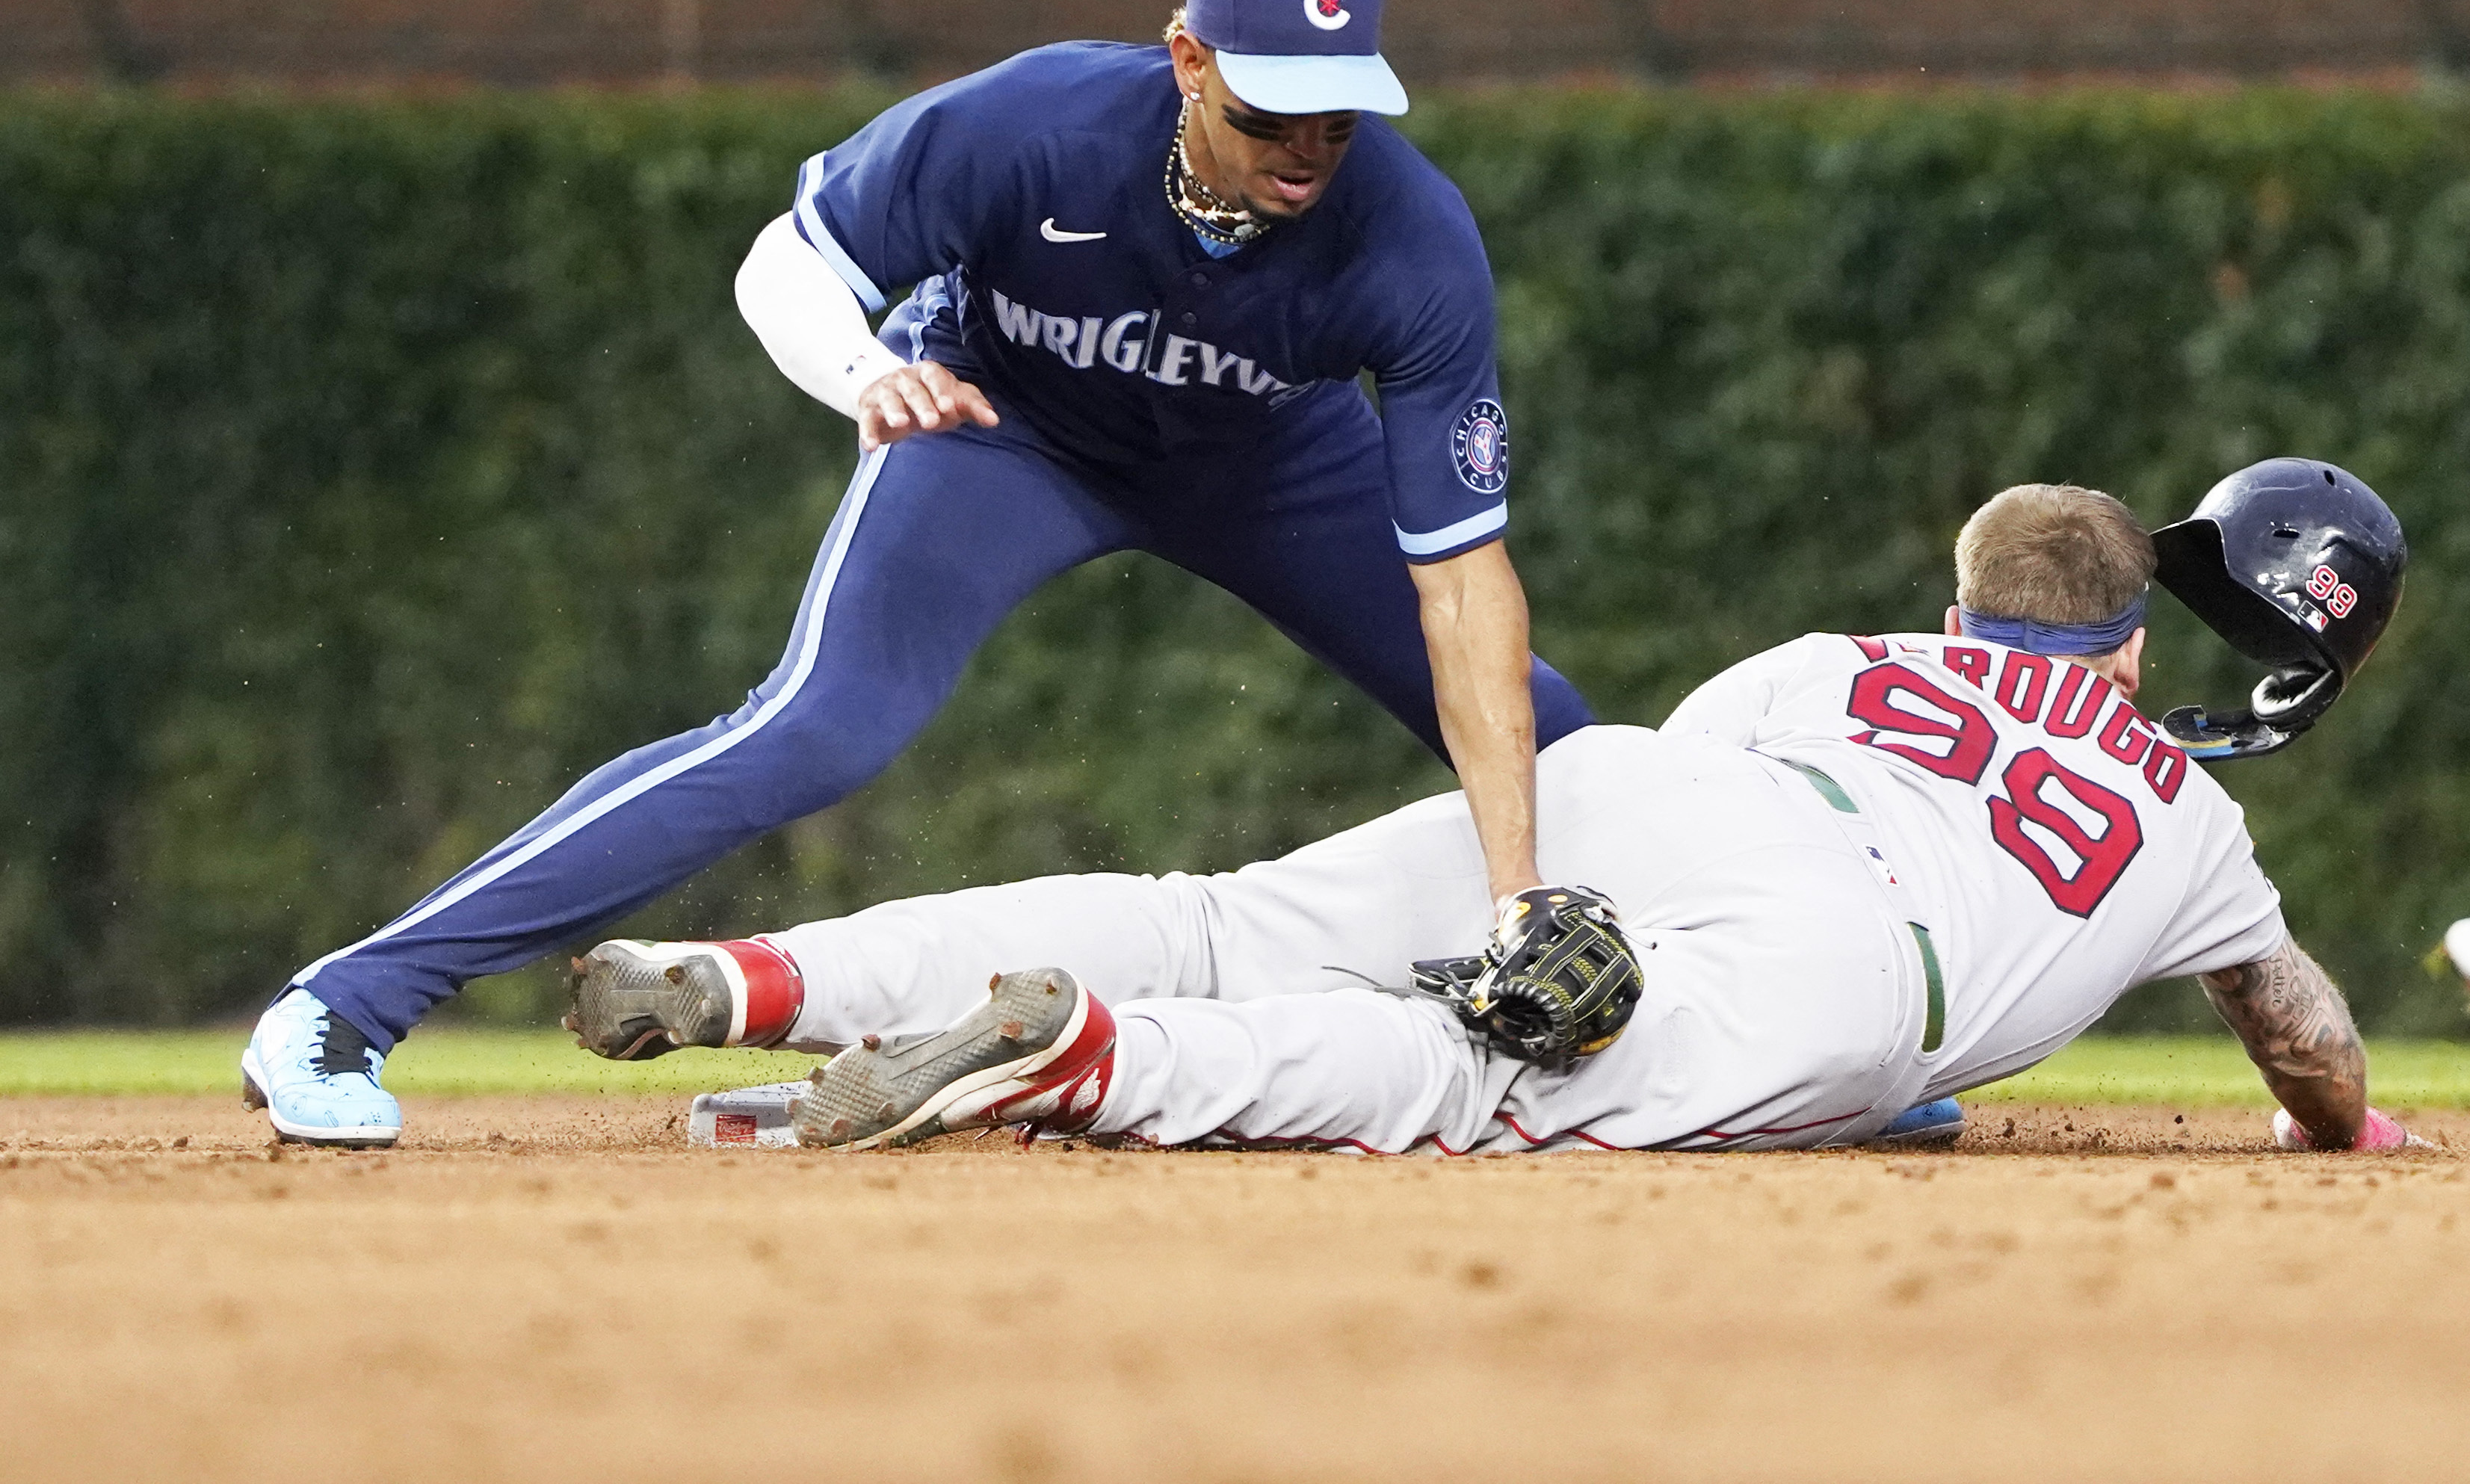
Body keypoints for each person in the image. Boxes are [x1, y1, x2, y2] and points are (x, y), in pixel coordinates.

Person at [241, 0, 1599, 1147]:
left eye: (1336, 121)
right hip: (999, 430)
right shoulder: (1035, 125)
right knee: (816, 728)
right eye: (1270, 113)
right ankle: (340, 1006)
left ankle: (1666, 1005)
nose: (1305, 151)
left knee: (1566, 747)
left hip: (1269, 462)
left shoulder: (1411, 241)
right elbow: (786, 260)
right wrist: (862, 374)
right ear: (1187, 57)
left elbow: (1463, 585)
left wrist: (1523, 890)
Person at [586, 466, 2418, 1157]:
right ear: (2122, 644)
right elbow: (2308, 1043)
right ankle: (1088, 1061)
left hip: (1678, 784)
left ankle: (748, 972)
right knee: (1477, 1078)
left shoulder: (1841, 657)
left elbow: (1664, 816)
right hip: (1842, 974)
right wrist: (2339, 1131)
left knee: (1224, 910)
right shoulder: (2180, 806)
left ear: (1961, 615)